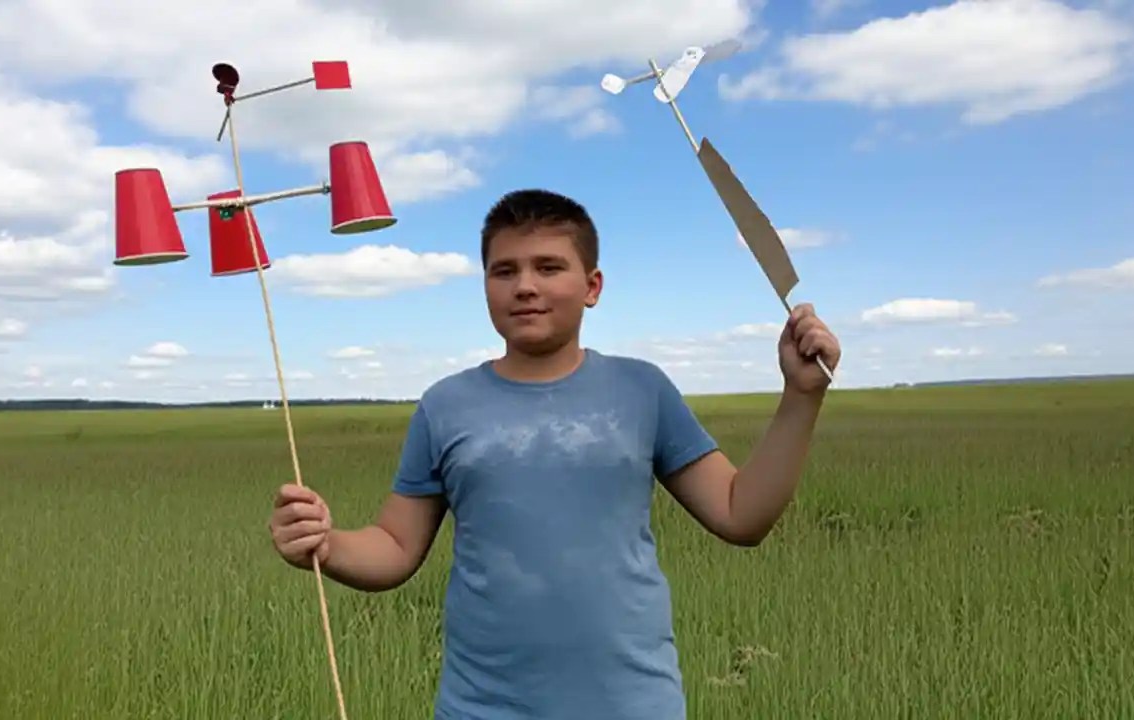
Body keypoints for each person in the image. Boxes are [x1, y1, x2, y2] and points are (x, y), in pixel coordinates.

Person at [269, 189, 841, 719]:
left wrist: (800, 395)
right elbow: (394, 548)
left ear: (592, 286)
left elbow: (741, 515)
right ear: (485, 286)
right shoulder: (445, 406)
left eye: (548, 267)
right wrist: (327, 543)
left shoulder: (642, 390)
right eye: (505, 270)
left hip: (633, 704)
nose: (525, 286)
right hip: (481, 708)